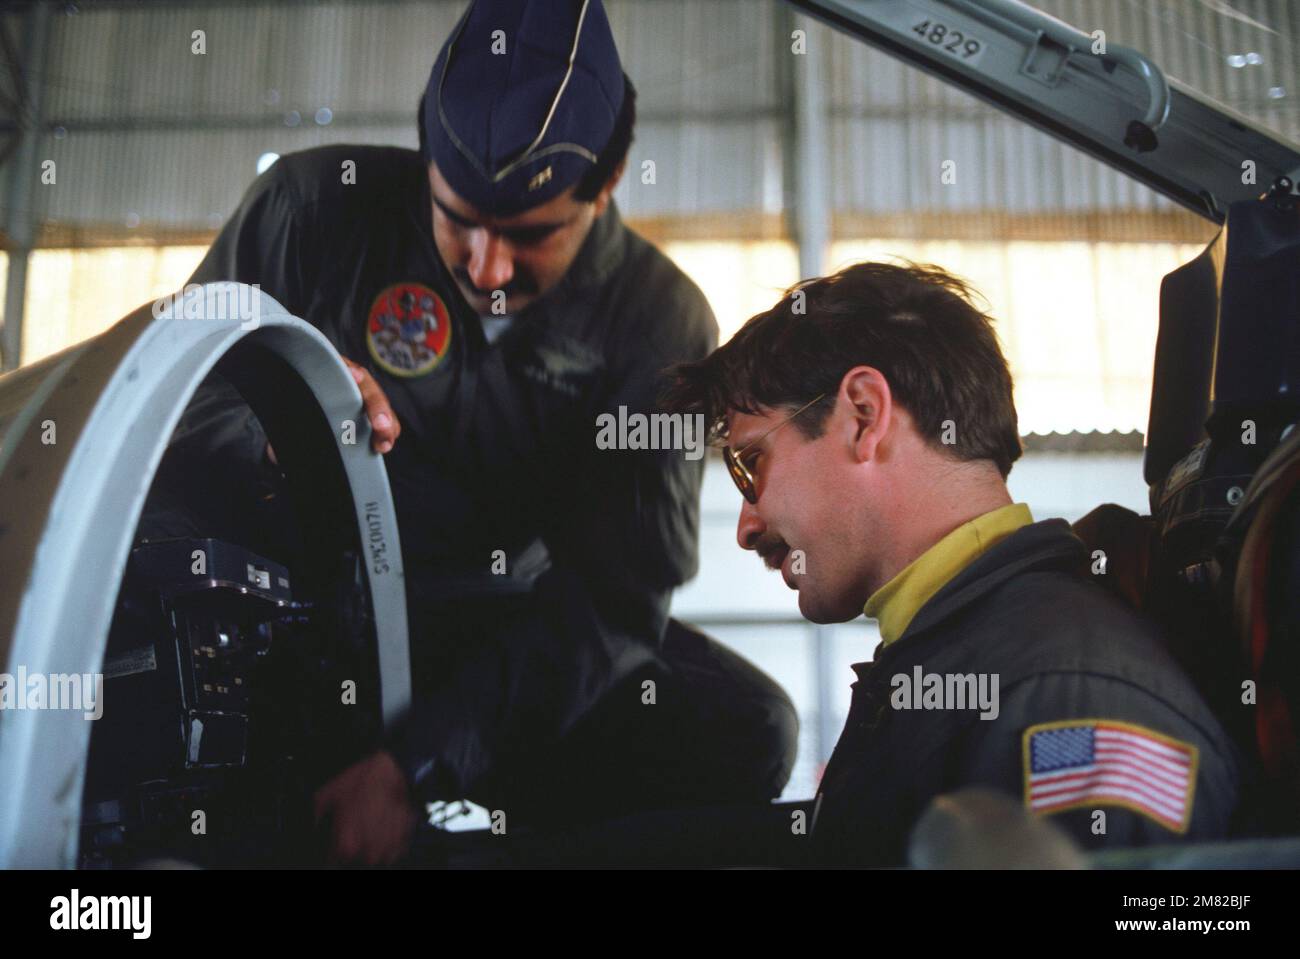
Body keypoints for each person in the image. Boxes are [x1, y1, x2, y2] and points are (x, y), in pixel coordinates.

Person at [163, 0, 797, 865]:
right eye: (455, 216)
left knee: (747, 727)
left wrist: (416, 763)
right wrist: (280, 426)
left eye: (531, 234)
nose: (486, 268)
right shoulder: (309, 211)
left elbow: (614, 599)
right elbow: (168, 403)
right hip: (298, 610)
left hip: (502, 638)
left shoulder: (658, 320)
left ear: (606, 185)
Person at [662, 260, 1243, 865]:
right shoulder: (965, 649)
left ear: (864, 415)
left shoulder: (1066, 700)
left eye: (750, 464)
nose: (746, 528)